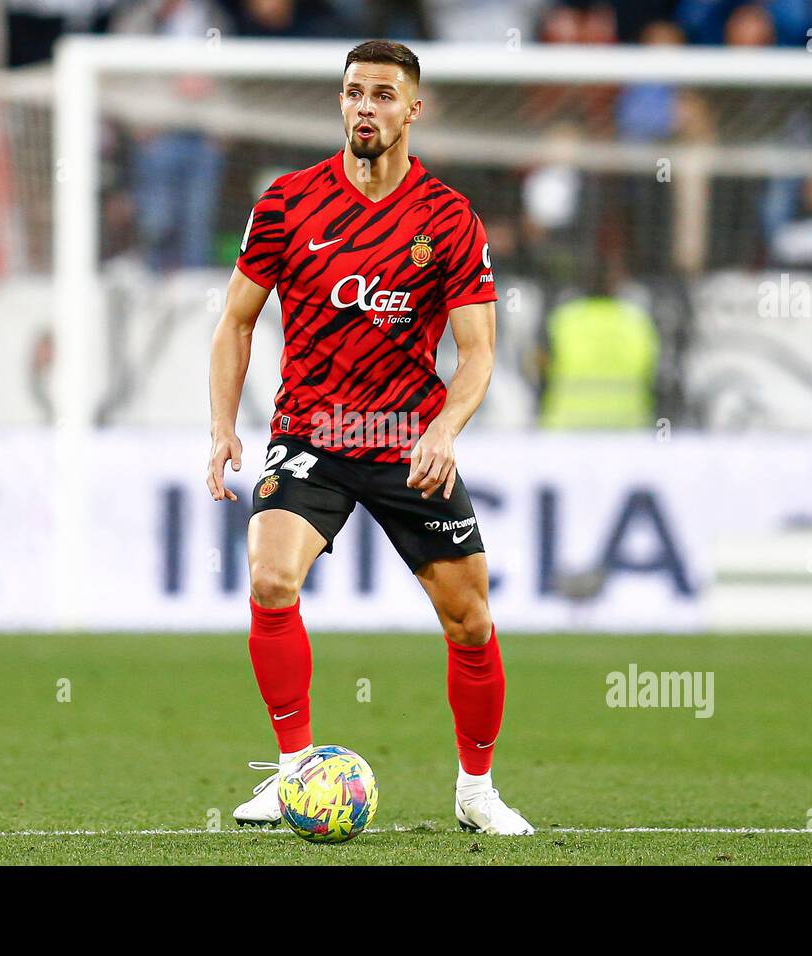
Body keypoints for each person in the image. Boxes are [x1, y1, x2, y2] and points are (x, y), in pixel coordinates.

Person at [206, 39, 533, 836]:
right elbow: (236, 321)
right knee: (271, 579)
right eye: (354, 92)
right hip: (310, 434)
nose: (365, 107)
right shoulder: (287, 200)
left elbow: (479, 348)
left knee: (470, 620)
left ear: (412, 110)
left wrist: (446, 429)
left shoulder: (447, 217)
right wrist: (222, 427)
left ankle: (476, 790)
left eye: (383, 95)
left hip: (405, 438)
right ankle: (293, 774)